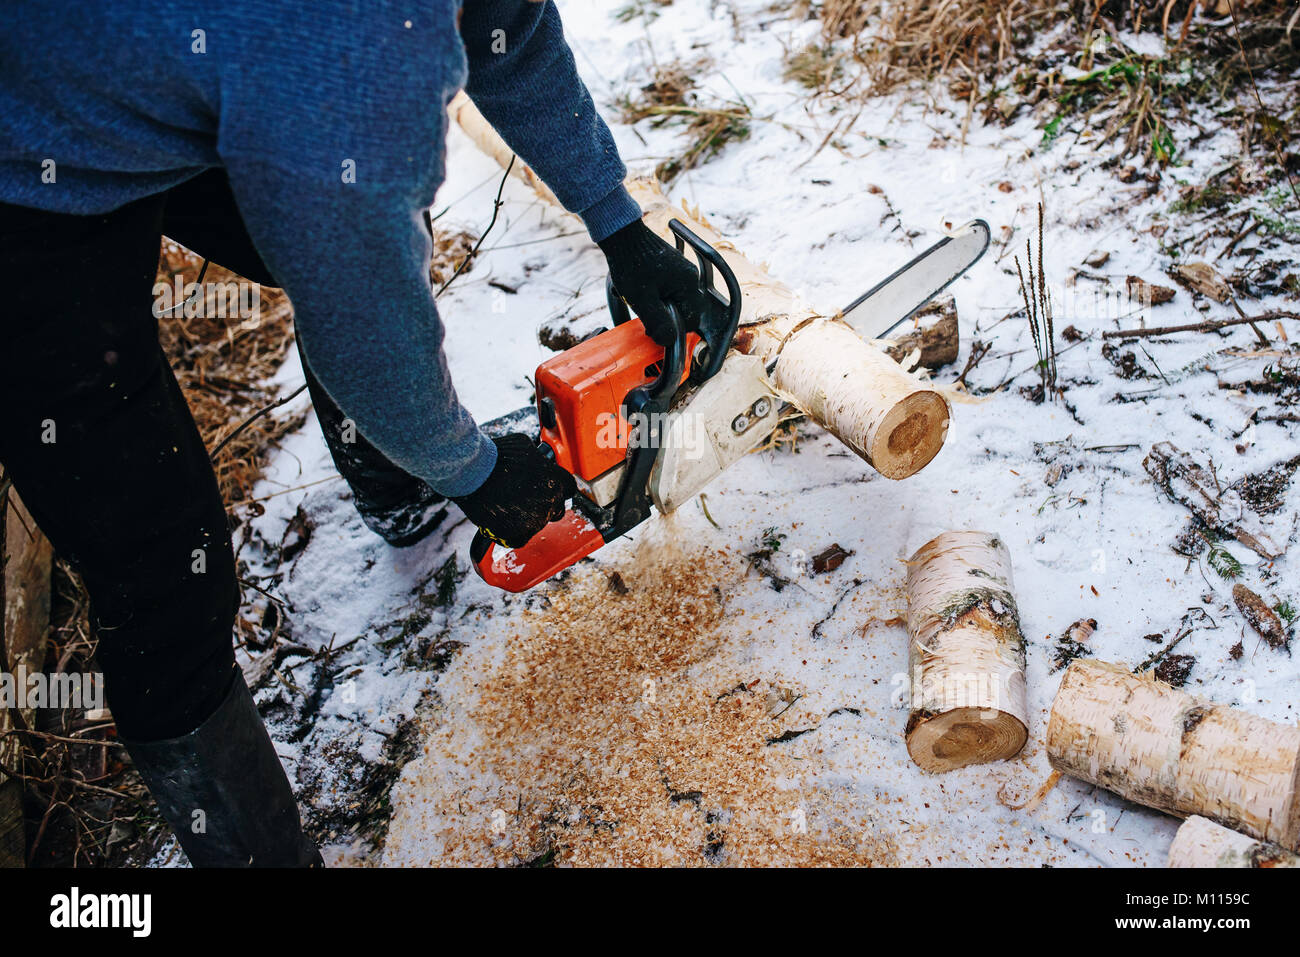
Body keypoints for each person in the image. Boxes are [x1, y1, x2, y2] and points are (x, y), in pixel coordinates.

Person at [0, 0, 706, 866]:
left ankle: (400, 492)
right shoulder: (354, 53)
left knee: (348, 229)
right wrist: (471, 470)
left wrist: (617, 220)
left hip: (173, 61)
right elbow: (362, 307)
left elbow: (508, 34)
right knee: (160, 572)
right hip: (25, 159)